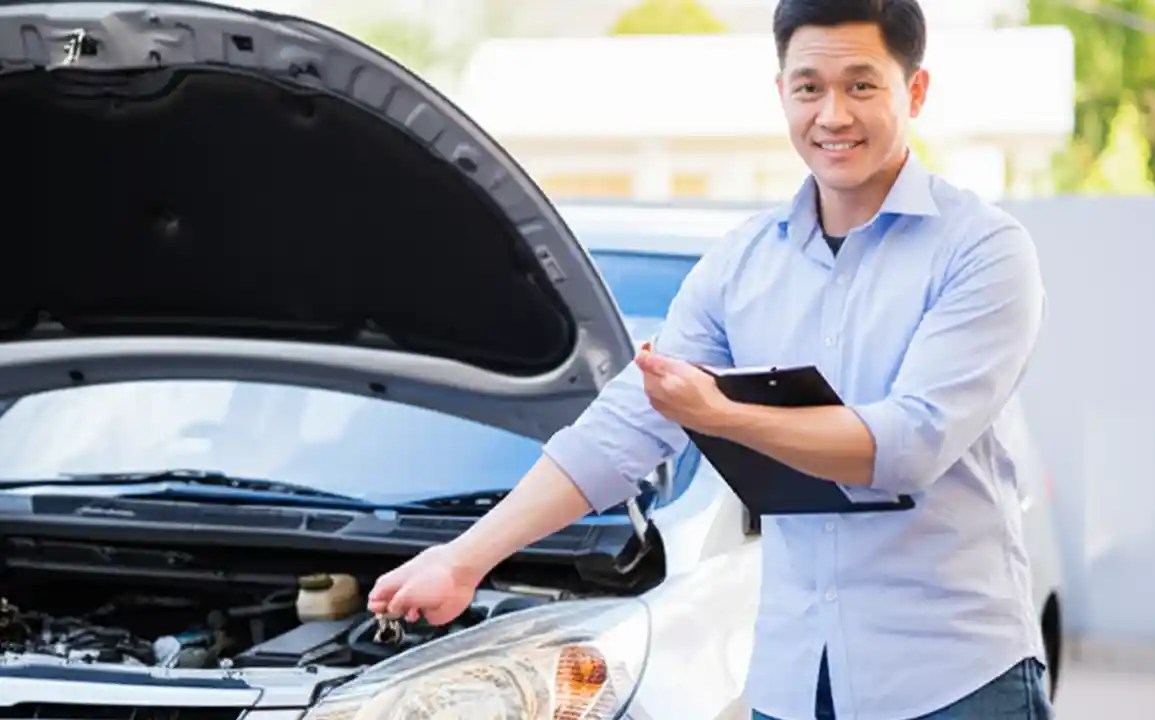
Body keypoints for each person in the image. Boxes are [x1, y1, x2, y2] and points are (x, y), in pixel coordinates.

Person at [368, 1, 1053, 718]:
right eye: (809, 87)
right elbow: (620, 433)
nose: (832, 115)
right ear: (782, 91)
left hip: (954, 680)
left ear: (913, 91)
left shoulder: (982, 251)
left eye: (861, 85)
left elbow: (907, 446)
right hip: (794, 682)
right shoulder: (739, 266)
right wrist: (463, 559)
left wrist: (724, 417)